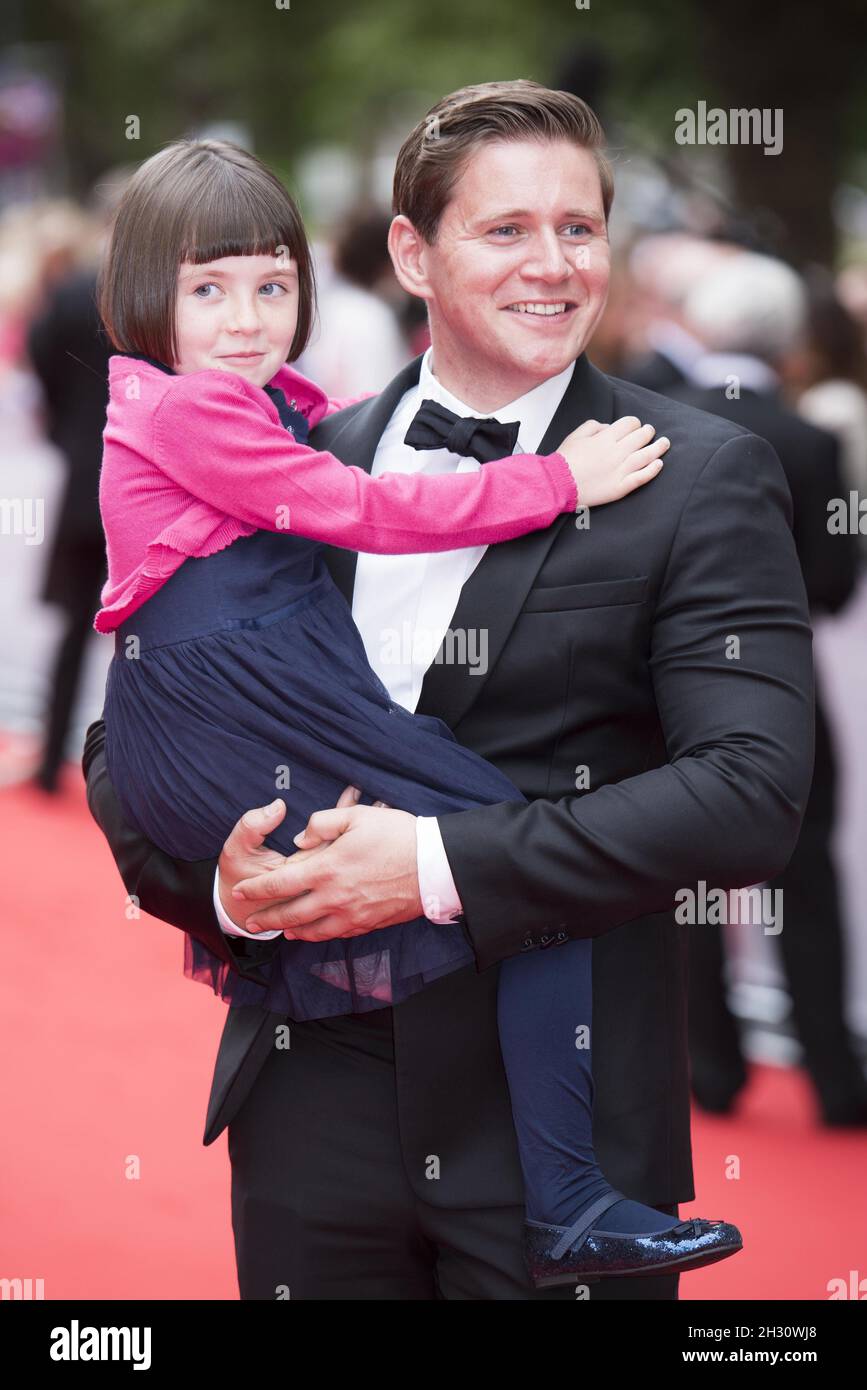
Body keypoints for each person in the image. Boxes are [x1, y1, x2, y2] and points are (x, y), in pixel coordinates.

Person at [83, 81, 814, 1301]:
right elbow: (137, 724)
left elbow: (750, 796)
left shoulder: (698, 478)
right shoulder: (297, 461)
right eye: (508, 229)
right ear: (413, 254)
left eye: (579, 228)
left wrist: (430, 865)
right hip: (309, 1104)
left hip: (560, 1138)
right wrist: (231, 883)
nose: (555, 265)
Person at [671, 252, 866, 1125]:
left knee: (684, 875)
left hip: (675, 690)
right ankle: (831, 1077)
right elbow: (832, 582)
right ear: (786, 342)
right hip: (787, 687)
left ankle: (709, 1070)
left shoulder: (659, 423)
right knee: (807, 879)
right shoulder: (811, 440)